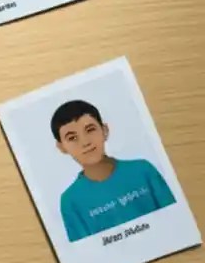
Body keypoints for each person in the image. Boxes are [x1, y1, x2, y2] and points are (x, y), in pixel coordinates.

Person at [52, 99, 176, 242]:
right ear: (62, 147)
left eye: (90, 130)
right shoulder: (70, 201)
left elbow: (175, 220)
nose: (85, 142)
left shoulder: (143, 170)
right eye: (72, 138)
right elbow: (86, 250)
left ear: (104, 130)